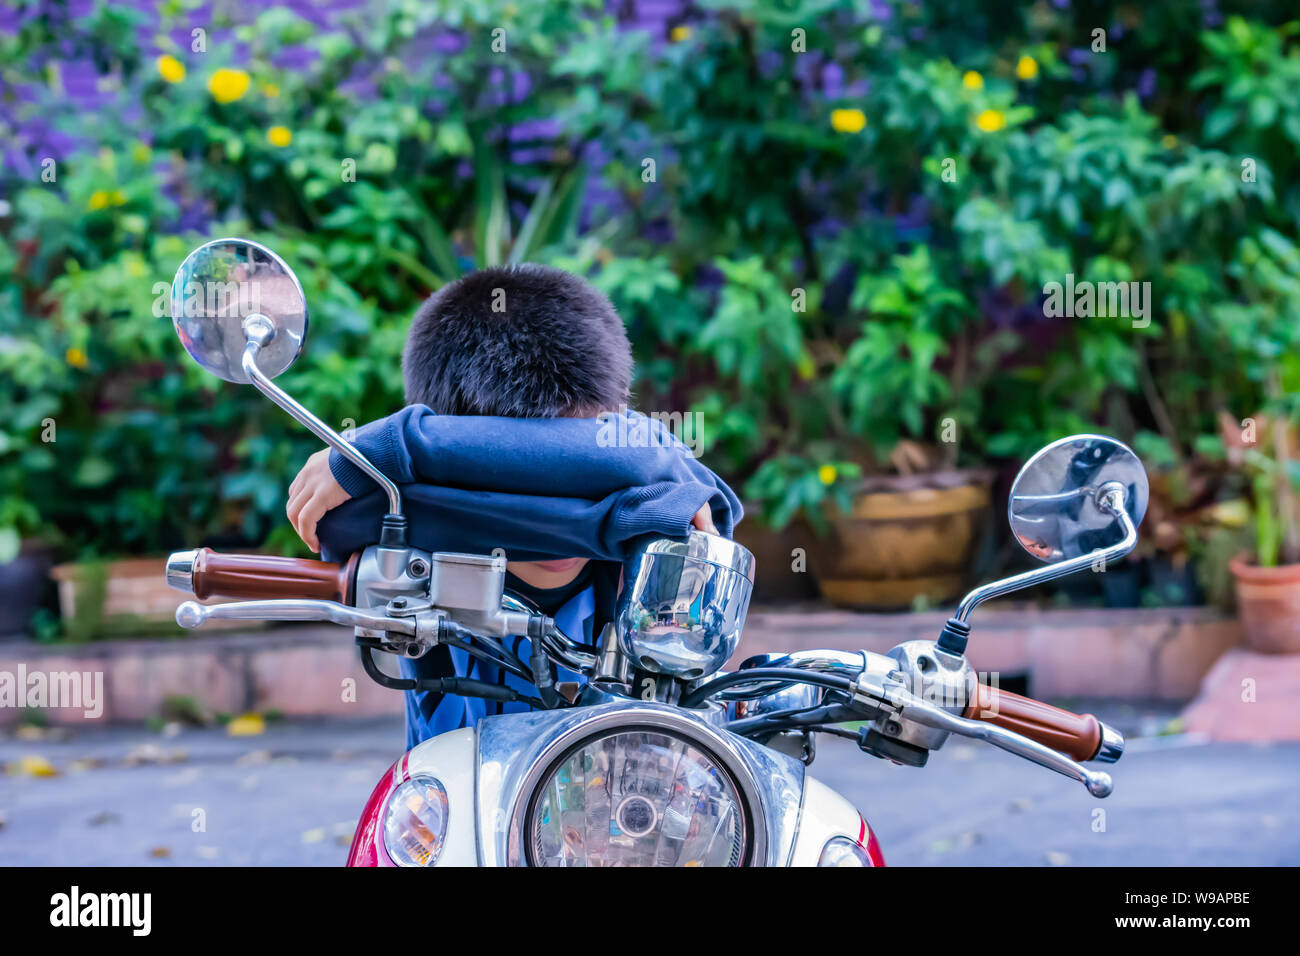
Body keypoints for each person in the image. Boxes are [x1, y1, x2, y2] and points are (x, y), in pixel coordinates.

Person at [284, 264, 740, 748]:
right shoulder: (397, 525)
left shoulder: (667, 491)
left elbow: (682, 476)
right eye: (524, 466)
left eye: (582, 463)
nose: (558, 492)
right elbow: (333, 525)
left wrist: (395, 445)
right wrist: (613, 514)